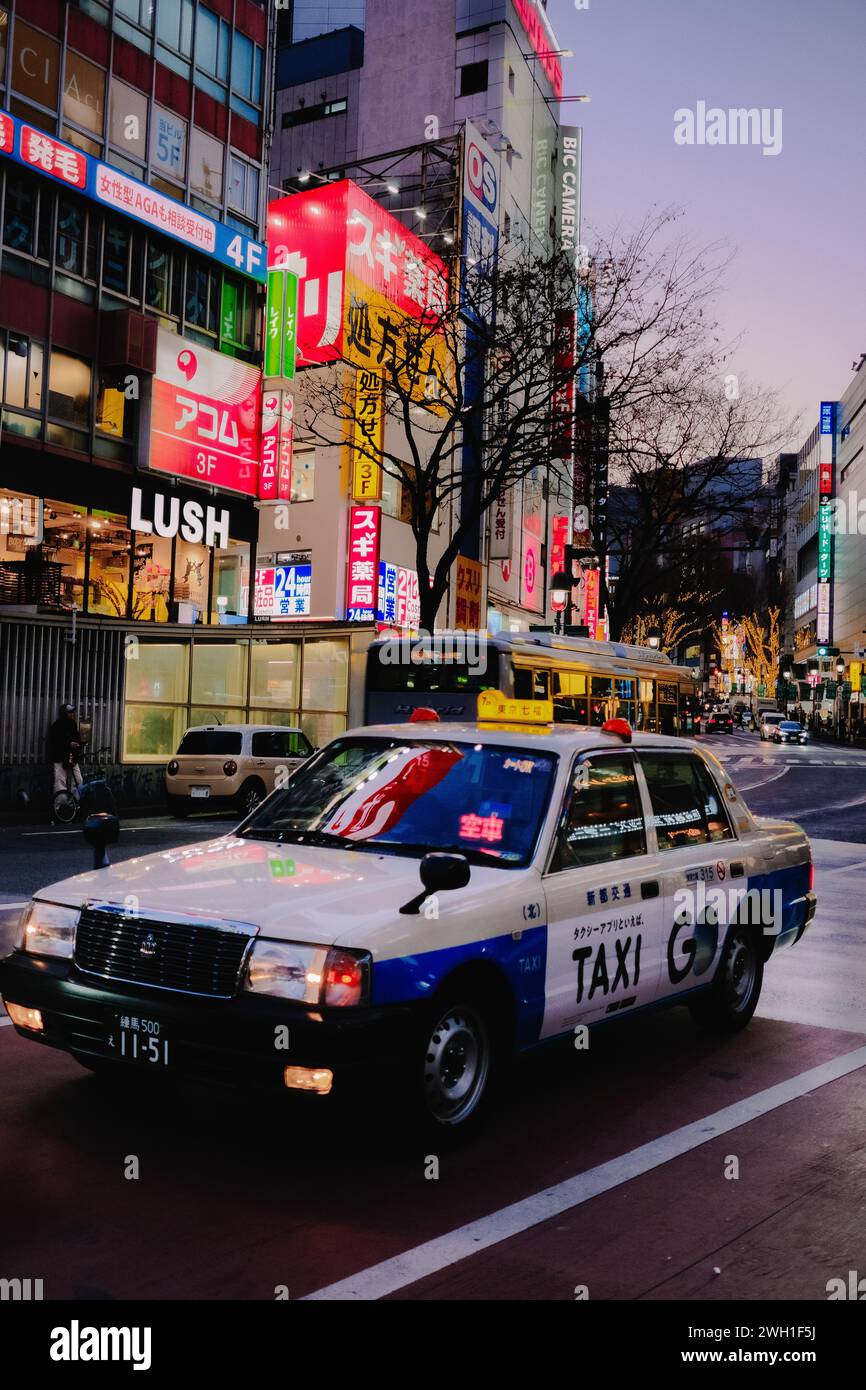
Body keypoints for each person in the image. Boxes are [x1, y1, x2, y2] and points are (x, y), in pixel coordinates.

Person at [48, 703, 83, 799]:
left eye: (72, 712)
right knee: (61, 781)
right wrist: (70, 743)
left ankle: (73, 803)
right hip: (60, 756)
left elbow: (76, 738)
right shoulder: (57, 725)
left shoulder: (71, 724)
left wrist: (78, 744)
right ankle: (60, 804)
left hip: (70, 756)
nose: (72, 714)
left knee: (77, 779)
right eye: (70, 712)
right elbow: (55, 741)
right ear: (64, 713)